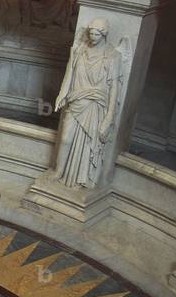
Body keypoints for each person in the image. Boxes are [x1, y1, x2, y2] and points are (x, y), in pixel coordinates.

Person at [52, 17, 123, 189]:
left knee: (88, 143)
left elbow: (114, 88)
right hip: (76, 100)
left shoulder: (113, 56)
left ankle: (79, 178)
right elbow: (70, 73)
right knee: (66, 138)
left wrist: (109, 116)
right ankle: (59, 172)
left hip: (96, 105)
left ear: (103, 34)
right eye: (90, 33)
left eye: (96, 34)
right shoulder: (80, 50)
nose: (92, 37)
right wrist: (62, 94)